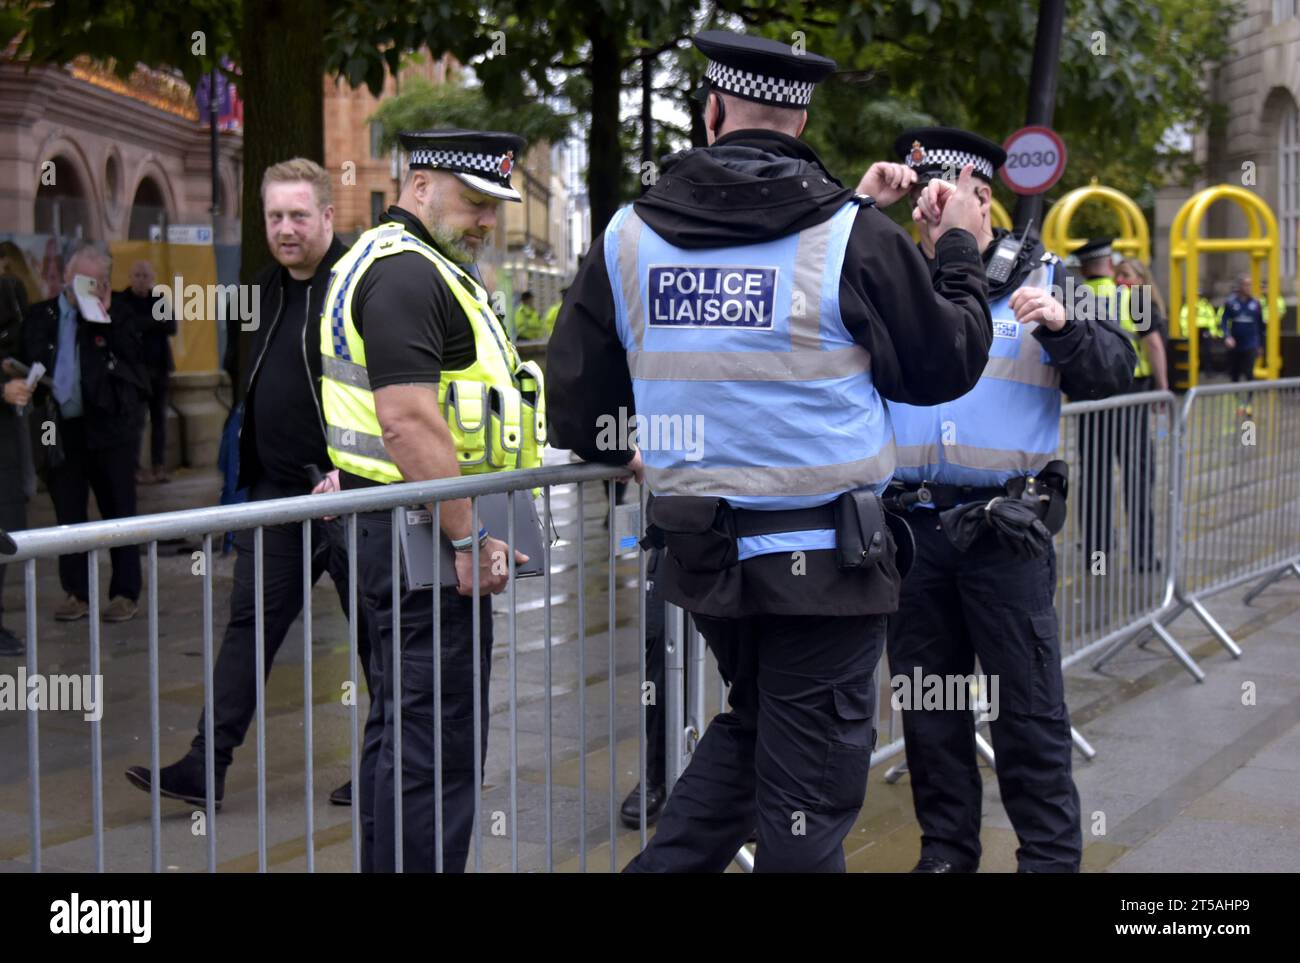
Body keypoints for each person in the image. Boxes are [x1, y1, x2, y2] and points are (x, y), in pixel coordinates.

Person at [548, 30, 994, 873]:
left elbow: (577, 407)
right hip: (824, 564)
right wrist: (960, 247)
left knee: (754, 738)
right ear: (800, 120)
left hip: (705, 556)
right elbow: (947, 363)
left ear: (710, 113)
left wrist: (644, 442)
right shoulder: (851, 235)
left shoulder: (626, 235)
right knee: (807, 807)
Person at [880, 135, 1134, 874]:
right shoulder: (900, 284)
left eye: (940, 209)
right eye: (922, 214)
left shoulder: (1051, 277)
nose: (928, 228)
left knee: (1028, 714)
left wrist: (1065, 330)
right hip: (915, 533)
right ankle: (946, 856)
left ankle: (1049, 861)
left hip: (1004, 533)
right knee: (931, 713)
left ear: (981, 199)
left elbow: (1116, 369)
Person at [319, 128, 543, 873]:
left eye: (494, 206)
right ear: (420, 186)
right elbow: (407, 419)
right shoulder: (411, 273)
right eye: (474, 201)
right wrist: (466, 537)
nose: (486, 219)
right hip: (421, 534)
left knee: (403, 730)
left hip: (393, 525)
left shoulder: (396, 263)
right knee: (439, 747)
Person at [125, 159, 371, 810]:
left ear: (326, 215)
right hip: (276, 496)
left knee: (379, 634)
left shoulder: (359, 284)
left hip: (352, 495)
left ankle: (392, 764)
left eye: (298, 215)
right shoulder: (261, 289)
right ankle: (206, 765)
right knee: (247, 627)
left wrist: (359, 468)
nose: (285, 229)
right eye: (274, 217)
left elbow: (391, 393)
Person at [18, 244, 147, 622]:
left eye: (97, 281)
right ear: (67, 278)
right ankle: (76, 592)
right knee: (68, 513)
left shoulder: (119, 315)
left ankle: (125, 592)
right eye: (81, 280)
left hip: (110, 430)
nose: (87, 288)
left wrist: (102, 322)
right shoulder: (42, 315)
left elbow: (137, 368)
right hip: (58, 429)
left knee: (120, 511)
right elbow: (29, 358)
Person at [1077, 238, 1158, 570]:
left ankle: (1098, 555)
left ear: (1084, 268)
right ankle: (1142, 555)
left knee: (1095, 476)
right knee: (1137, 474)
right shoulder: (1131, 295)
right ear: (1110, 264)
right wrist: (1165, 390)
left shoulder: (1076, 295)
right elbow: (1152, 343)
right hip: (1132, 392)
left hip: (1090, 396)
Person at [115, 260, 176, 484]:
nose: (141, 280)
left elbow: (171, 326)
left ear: (152, 279)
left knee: (159, 419)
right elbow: (125, 327)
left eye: (145, 276)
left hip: (159, 368)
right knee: (135, 421)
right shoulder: (122, 300)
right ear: (130, 277)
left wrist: (142, 324)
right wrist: (152, 323)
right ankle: (134, 468)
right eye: (137, 275)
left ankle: (159, 466)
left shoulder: (159, 299)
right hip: (134, 371)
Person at [1220, 273, 1265, 399]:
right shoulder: (1231, 303)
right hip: (1235, 345)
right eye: (1246, 284)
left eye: (1250, 284)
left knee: (1249, 373)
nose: (1248, 287)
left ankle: (1249, 401)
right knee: (1235, 374)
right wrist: (1227, 336)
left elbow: (1260, 326)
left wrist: (1261, 345)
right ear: (1240, 286)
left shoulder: (1255, 304)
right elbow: (1223, 321)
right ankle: (1237, 400)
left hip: (1250, 344)